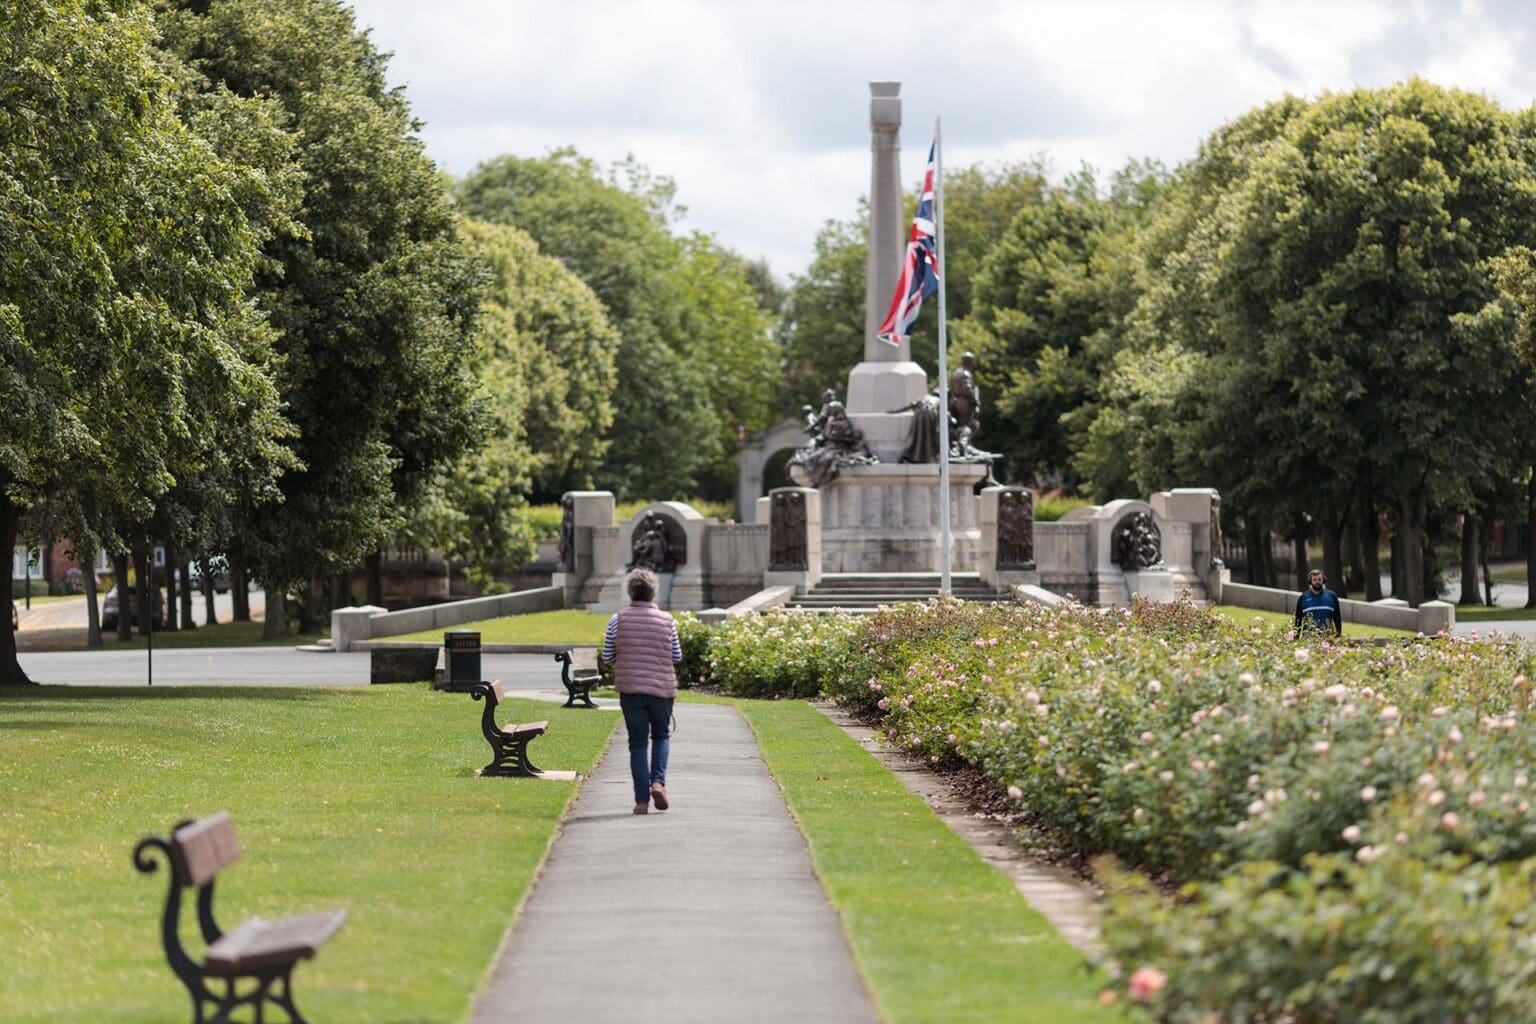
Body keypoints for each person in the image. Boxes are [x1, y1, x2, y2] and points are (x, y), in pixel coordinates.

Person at [600, 568, 682, 814]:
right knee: (661, 736)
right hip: (661, 690)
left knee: (637, 743)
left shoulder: (617, 620)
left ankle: (641, 801)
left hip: (631, 690)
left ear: (630, 592)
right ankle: (658, 782)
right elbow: (677, 655)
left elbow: (607, 656)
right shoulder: (667, 620)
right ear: (653, 592)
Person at [1294, 569, 1343, 637]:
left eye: (1319, 579)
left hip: (1328, 639)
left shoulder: (1332, 596)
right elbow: (1298, 621)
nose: (1317, 582)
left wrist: (1338, 636)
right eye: (1315, 579)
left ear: (1323, 580)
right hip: (1308, 640)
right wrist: (1296, 638)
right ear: (1310, 581)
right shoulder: (1303, 598)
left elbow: (1337, 619)